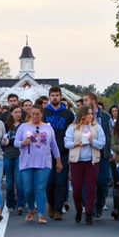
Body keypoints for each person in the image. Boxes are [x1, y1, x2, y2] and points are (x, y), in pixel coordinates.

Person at [15, 105, 62, 224]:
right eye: (33, 114)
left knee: (40, 188)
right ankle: (31, 209)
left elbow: (54, 145)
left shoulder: (48, 128)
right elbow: (15, 142)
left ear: (41, 114)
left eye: (37, 114)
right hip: (27, 162)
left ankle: (41, 214)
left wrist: (58, 161)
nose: (35, 116)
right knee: (28, 189)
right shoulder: (23, 127)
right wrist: (23, 142)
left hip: (44, 162)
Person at [64, 105, 106, 226]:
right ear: (82, 115)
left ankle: (89, 213)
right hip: (77, 161)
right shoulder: (73, 127)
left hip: (91, 161)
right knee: (76, 189)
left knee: (90, 188)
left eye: (92, 114)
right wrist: (76, 144)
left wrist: (93, 142)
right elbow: (67, 143)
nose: (91, 116)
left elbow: (102, 143)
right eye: (88, 114)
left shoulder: (96, 127)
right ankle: (78, 209)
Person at [43, 86, 75, 220]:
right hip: (47, 153)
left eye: (57, 95)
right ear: (49, 97)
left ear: (61, 97)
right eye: (52, 95)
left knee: (61, 182)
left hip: (63, 152)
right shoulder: (44, 112)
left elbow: (73, 134)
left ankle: (58, 210)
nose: (55, 97)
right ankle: (51, 203)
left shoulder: (68, 114)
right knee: (49, 182)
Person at [83, 93, 112, 219]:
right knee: (87, 183)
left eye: (86, 100)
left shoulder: (105, 117)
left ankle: (99, 204)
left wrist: (112, 152)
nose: (84, 102)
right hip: (87, 154)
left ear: (93, 101)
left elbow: (112, 134)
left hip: (103, 154)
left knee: (101, 182)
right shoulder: (80, 116)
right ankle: (90, 208)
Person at [3, 105, 26, 214]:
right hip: (8, 154)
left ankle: (21, 204)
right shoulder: (6, 125)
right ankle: (10, 204)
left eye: (19, 112)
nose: (18, 114)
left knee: (20, 180)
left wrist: (11, 142)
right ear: (11, 113)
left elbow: (22, 140)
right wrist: (4, 142)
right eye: (16, 112)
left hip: (19, 155)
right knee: (9, 181)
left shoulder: (23, 126)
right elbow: (3, 139)